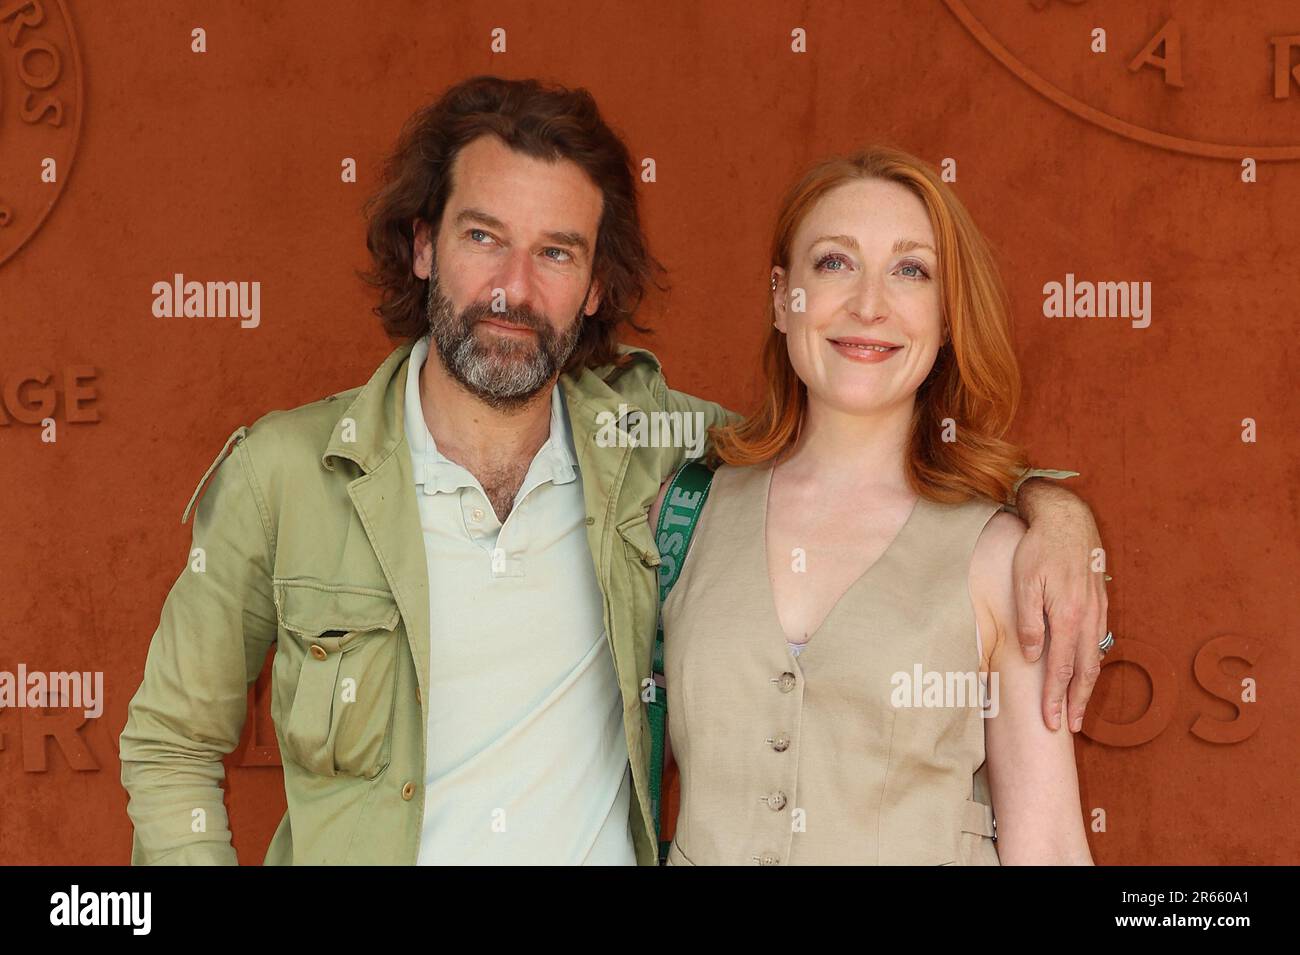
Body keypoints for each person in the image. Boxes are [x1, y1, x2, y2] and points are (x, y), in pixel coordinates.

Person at [119, 76, 1104, 865]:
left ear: (596, 287)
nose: (513, 285)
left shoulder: (660, 456)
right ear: (422, 246)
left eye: (556, 252)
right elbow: (169, 744)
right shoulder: (284, 475)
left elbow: (857, 444)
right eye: (481, 237)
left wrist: (1049, 511)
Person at [653, 146, 1097, 865]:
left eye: (910, 270)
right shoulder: (683, 511)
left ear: (947, 316)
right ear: (780, 296)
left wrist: (1056, 509)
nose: (868, 303)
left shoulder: (999, 554)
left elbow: (1045, 842)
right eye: (834, 262)